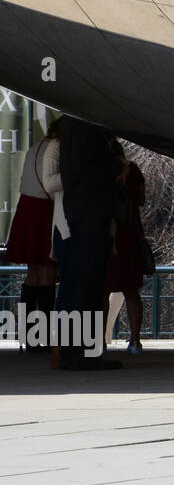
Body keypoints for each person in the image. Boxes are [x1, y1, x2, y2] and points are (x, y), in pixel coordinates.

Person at [52, 118, 122, 370]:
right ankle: (80, 351)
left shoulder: (74, 127)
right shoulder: (84, 127)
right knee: (87, 284)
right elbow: (91, 169)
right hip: (90, 213)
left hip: (82, 212)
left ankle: (78, 350)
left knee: (81, 284)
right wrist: (116, 166)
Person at [7, 120, 61, 351]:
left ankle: (28, 337)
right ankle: (46, 337)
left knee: (33, 275)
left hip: (27, 207)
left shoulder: (34, 148)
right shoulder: (58, 149)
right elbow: (52, 185)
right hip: (45, 210)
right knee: (47, 275)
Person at [104, 143, 148, 355]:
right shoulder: (134, 172)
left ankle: (98, 339)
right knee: (131, 291)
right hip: (130, 235)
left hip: (107, 235)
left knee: (102, 290)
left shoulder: (101, 171)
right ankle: (135, 339)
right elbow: (141, 200)